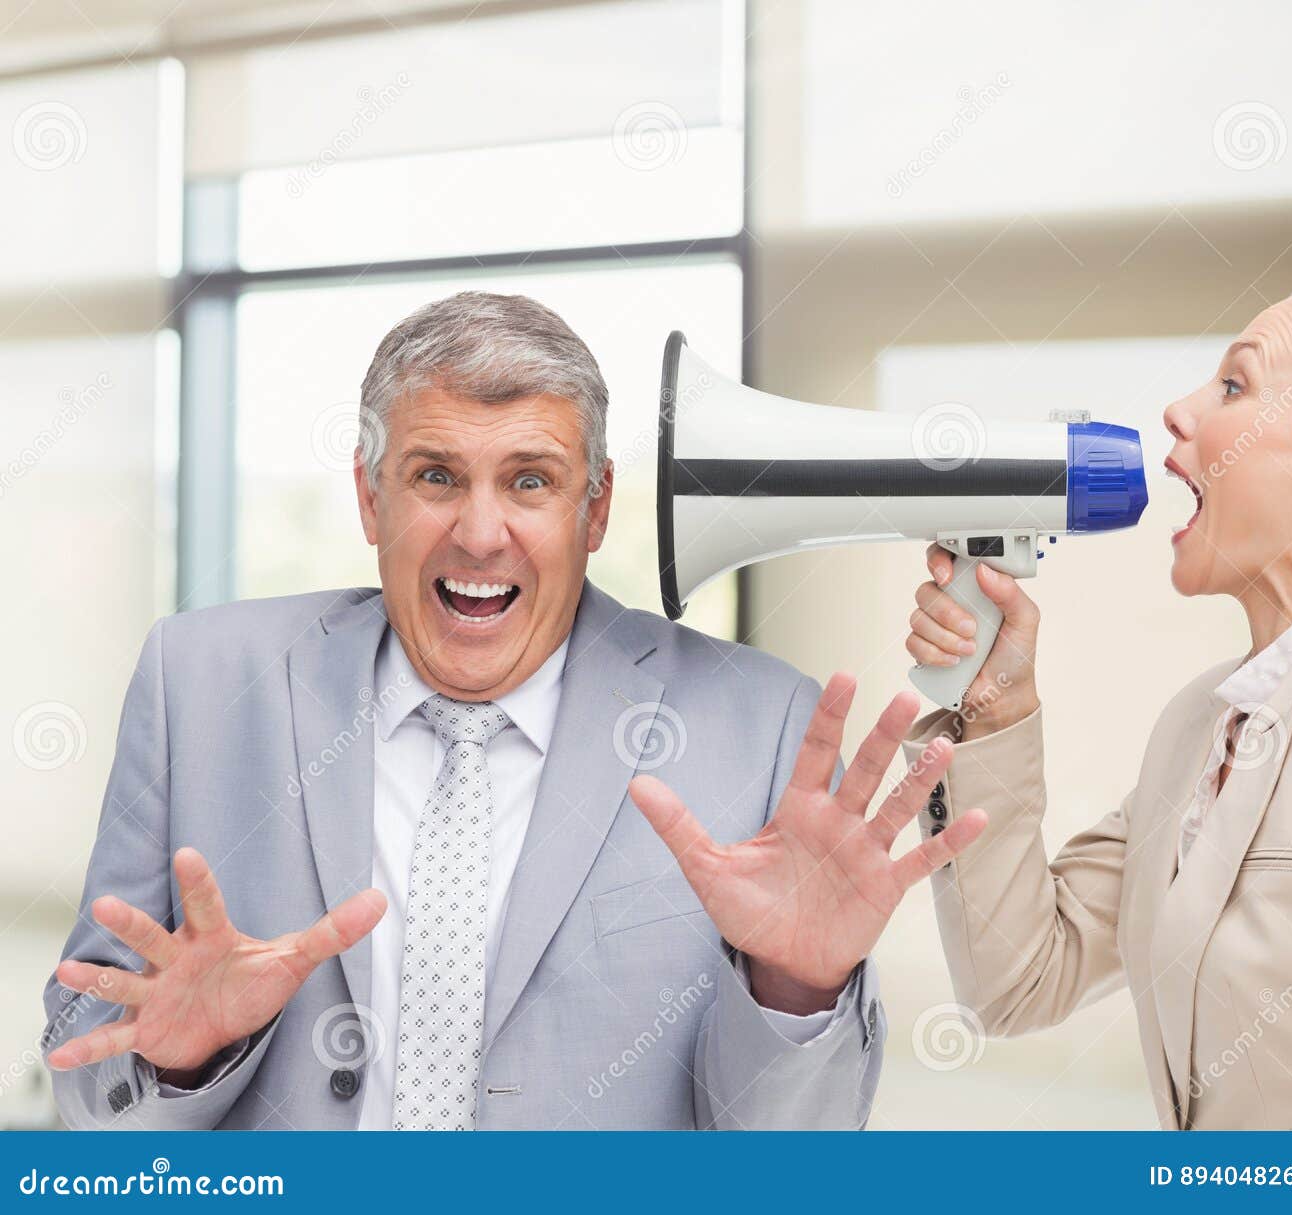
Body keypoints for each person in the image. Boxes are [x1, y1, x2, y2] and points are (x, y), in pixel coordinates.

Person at [41, 291, 984, 1130]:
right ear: (371, 497)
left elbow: (788, 1165)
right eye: (435, 476)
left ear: (598, 506)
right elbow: (84, 1080)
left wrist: (796, 988)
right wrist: (175, 1055)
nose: (482, 533)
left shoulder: (761, 723)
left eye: (530, 480)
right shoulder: (199, 679)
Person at [898, 283, 1292, 1129]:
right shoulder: (1200, 726)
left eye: (1234, 386)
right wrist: (994, 700)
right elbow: (1019, 979)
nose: (1176, 410)